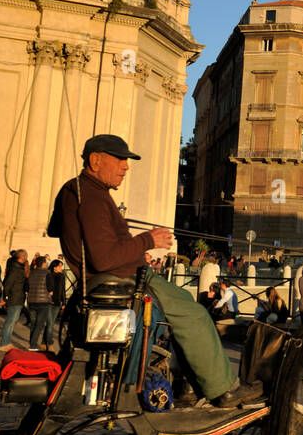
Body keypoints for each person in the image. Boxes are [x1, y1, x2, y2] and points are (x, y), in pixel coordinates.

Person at [48, 135, 242, 407]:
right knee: (196, 315)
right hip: (123, 281)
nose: (126, 167)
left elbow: (57, 229)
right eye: (120, 160)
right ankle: (223, 390)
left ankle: (188, 385)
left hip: (120, 277)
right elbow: (103, 258)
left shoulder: (80, 191)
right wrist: (147, 240)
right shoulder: (90, 197)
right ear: (95, 160)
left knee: (185, 303)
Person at [1, 249, 29, 347]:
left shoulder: (19, 268)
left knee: (13, 322)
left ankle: (6, 342)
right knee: (10, 321)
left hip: (18, 298)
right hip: (14, 298)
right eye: (26, 256)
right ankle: (4, 343)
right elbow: (8, 285)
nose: (27, 257)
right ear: (22, 257)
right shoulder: (15, 269)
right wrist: (6, 298)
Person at [27, 254, 53, 349]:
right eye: (45, 262)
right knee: (39, 324)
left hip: (31, 301)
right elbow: (51, 288)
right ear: (43, 263)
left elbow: (26, 287)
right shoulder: (47, 273)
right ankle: (33, 345)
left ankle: (32, 343)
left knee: (33, 324)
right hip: (43, 302)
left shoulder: (31, 273)